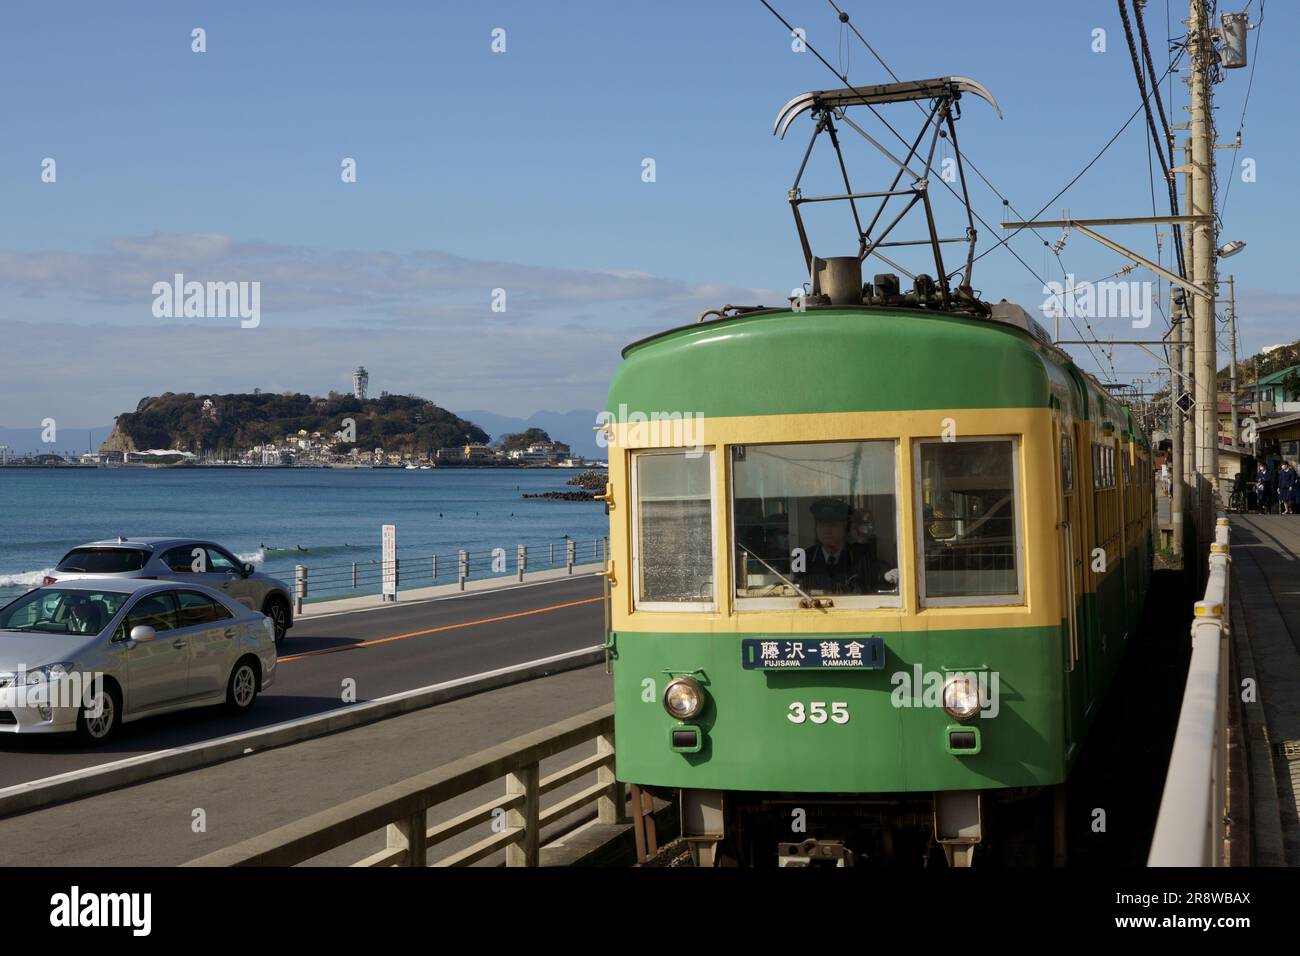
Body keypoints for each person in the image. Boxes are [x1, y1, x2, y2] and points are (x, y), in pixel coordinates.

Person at [797, 498, 895, 595]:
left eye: (833, 525)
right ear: (816, 528)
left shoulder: (860, 555)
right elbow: (797, 588)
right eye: (822, 525)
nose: (827, 530)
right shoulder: (805, 558)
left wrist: (886, 575)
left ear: (845, 528)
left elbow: (877, 572)